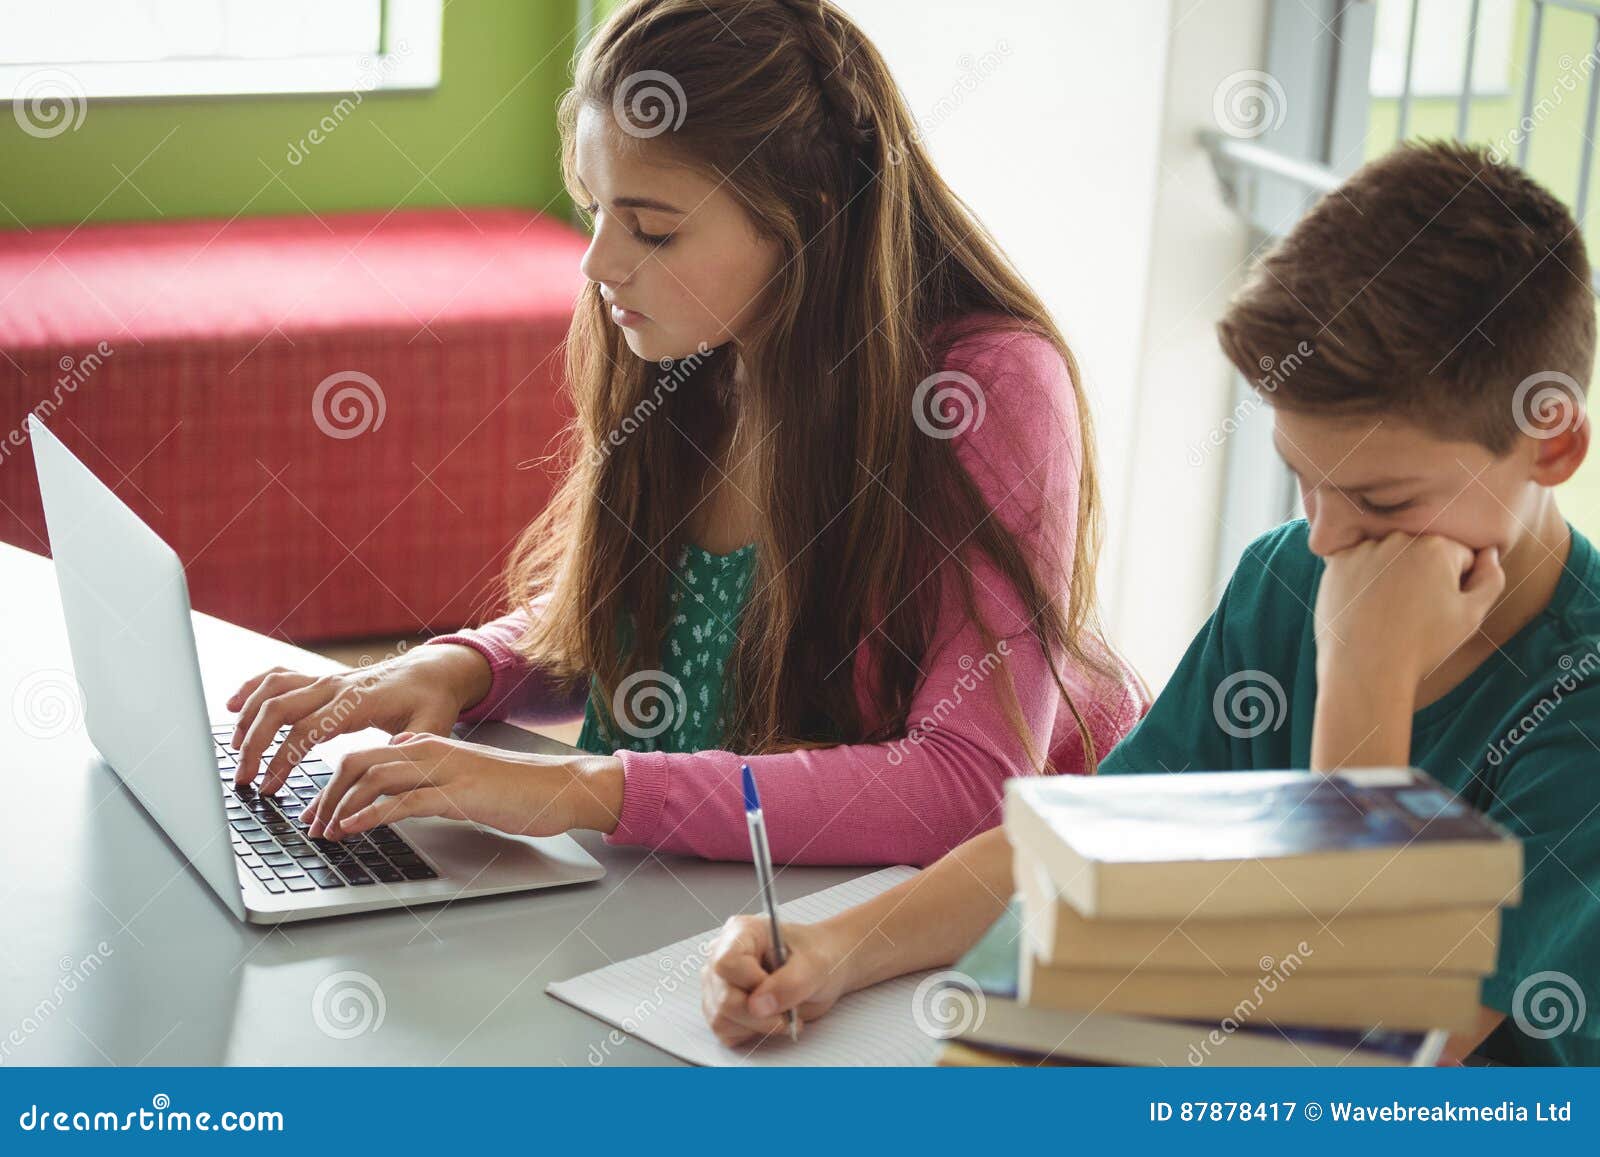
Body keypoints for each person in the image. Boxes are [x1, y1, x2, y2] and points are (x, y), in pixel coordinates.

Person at [702, 140, 1600, 1065]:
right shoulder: (1289, 575)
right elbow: (1089, 844)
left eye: (1382, 501)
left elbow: (1367, 1056)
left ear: (1553, 446)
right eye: (1303, 477)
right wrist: (839, 946)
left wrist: (1362, 681)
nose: (1328, 537)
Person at [224, 0, 1144, 867]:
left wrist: (585, 788)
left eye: (652, 230)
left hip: (916, 936)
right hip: (692, 901)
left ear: (808, 225)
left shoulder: (986, 387)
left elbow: (971, 783)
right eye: (593, 209)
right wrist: (459, 667)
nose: (597, 264)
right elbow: (639, 631)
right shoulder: (691, 346)